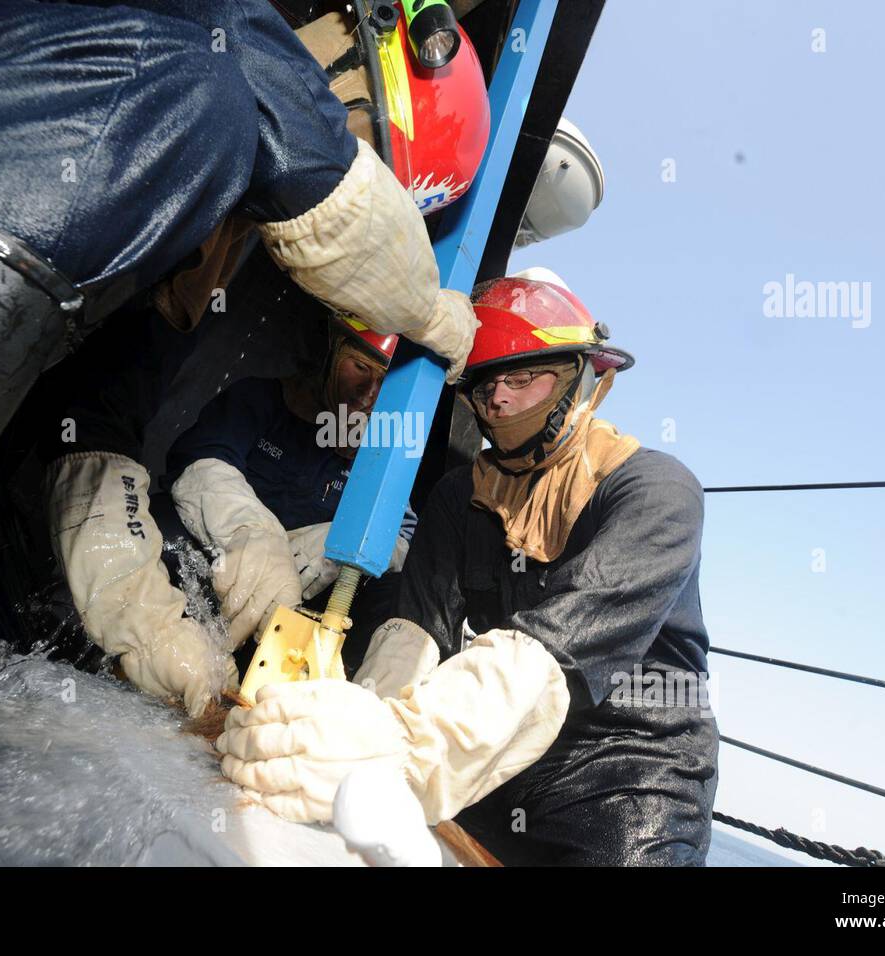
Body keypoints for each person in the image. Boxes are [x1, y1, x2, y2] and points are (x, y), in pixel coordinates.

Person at [0, 0, 482, 686]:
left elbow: (93, 438)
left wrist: (152, 630)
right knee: (200, 101)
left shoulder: (156, 223)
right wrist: (425, 309)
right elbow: (297, 144)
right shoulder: (185, 63)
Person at [214, 275, 720, 866]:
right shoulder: (459, 496)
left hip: (627, 771)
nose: (500, 400)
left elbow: (555, 653)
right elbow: (415, 633)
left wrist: (401, 747)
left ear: (581, 377)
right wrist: (360, 726)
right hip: (495, 750)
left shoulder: (654, 491)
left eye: (524, 378)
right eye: (485, 386)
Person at [161, 316, 415, 674]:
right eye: (360, 366)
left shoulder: (377, 452)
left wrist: (344, 544)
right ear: (331, 353)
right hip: (218, 570)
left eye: (383, 381)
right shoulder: (261, 400)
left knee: (394, 592)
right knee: (164, 534)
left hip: (298, 603)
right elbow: (201, 464)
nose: (369, 391)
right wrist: (253, 535)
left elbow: (402, 533)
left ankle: (327, 700)